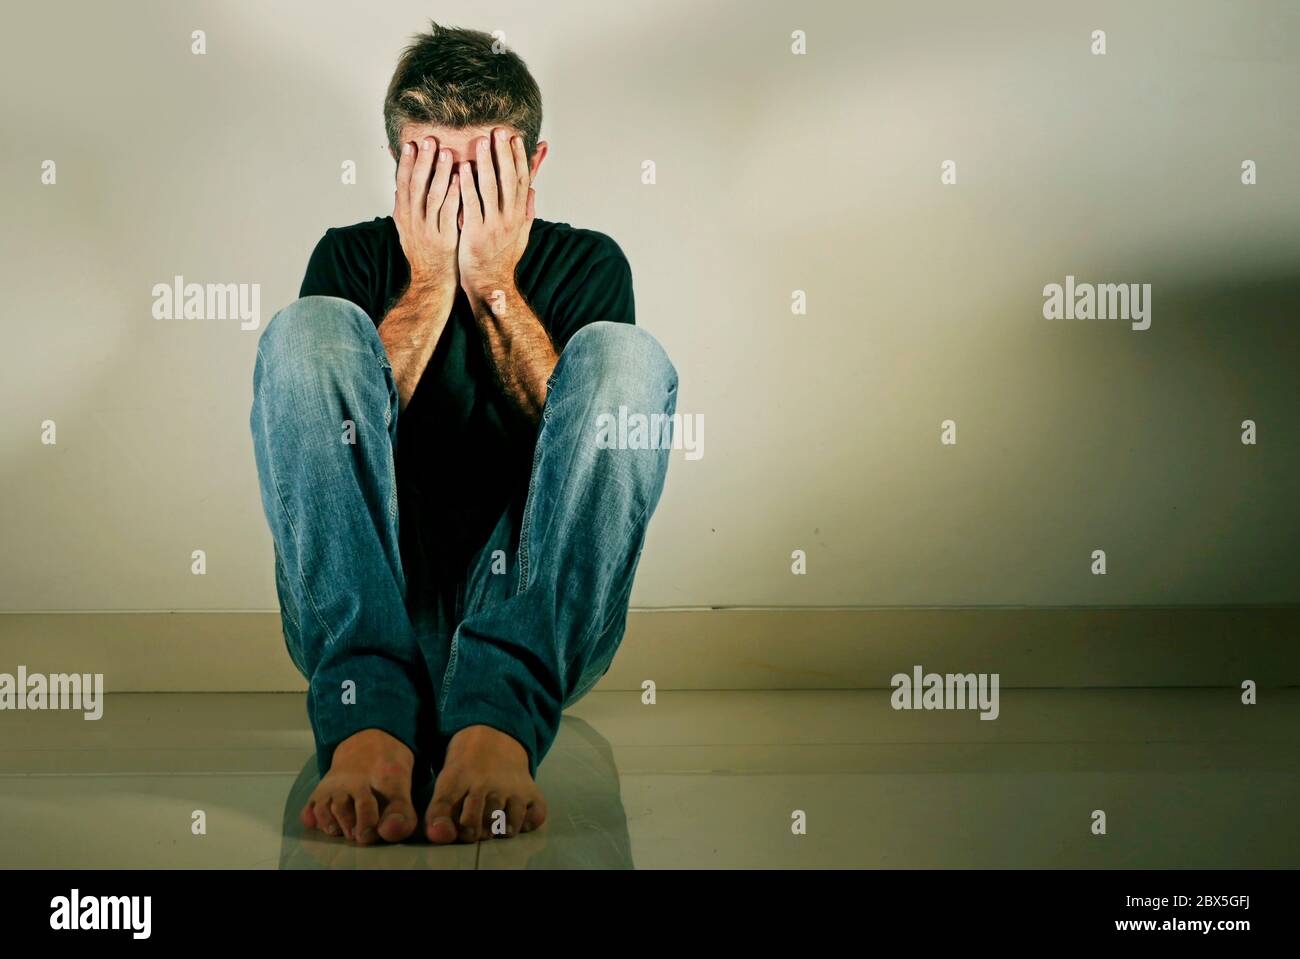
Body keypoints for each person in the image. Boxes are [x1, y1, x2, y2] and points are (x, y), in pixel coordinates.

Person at [249, 22, 676, 845]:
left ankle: (498, 724)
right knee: (306, 332)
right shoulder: (349, 262)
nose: (457, 198)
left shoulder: (588, 265)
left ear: (533, 167)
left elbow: (579, 464)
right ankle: (369, 724)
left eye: (481, 171)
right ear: (396, 165)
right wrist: (428, 283)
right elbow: (343, 453)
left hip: (535, 617)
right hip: (372, 607)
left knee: (624, 357)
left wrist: (489, 286)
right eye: (433, 169)